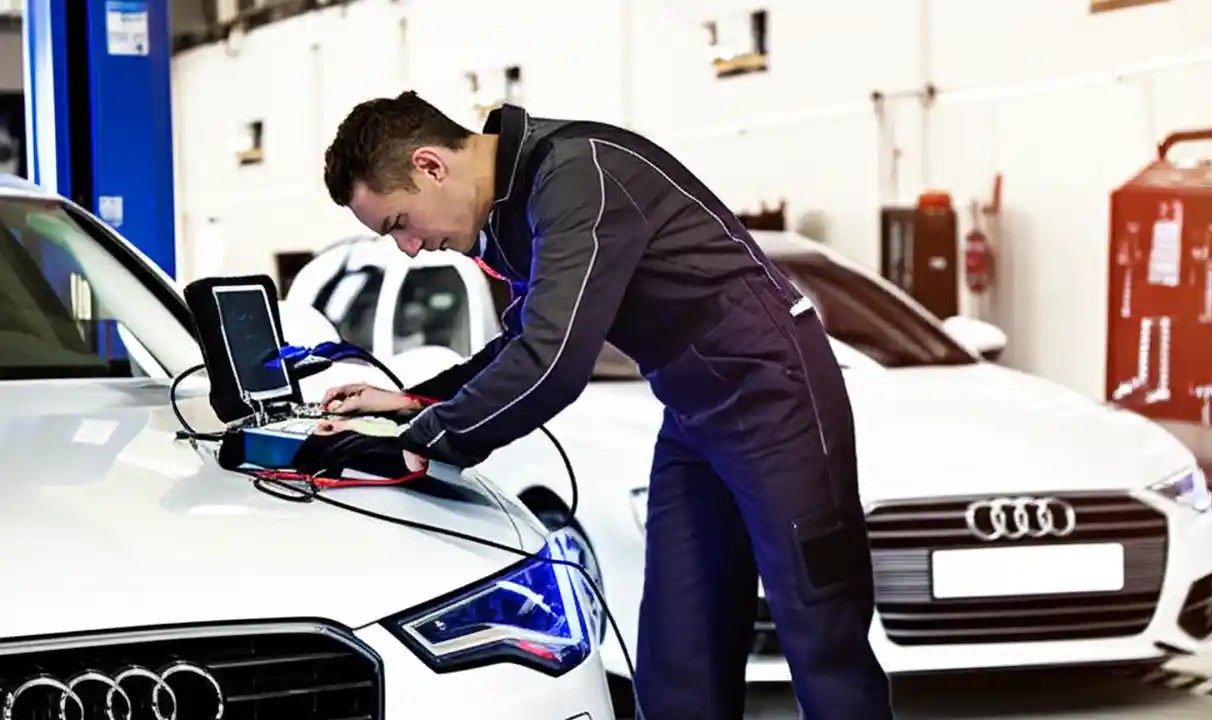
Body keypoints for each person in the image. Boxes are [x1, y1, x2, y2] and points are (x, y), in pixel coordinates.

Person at [318, 91, 894, 719]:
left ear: (430, 167)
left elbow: (553, 361)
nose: (407, 247)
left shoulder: (575, 175)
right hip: (692, 411)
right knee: (682, 644)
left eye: (398, 224)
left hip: (777, 394)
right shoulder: (515, 208)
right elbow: (525, 337)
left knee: (821, 632)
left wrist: (419, 441)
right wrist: (411, 402)